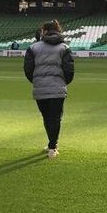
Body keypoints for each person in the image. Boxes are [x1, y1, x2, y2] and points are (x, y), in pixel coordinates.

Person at [24, 20, 74, 159]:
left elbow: (28, 69)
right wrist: (63, 82)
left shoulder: (33, 48)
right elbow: (69, 70)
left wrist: (37, 81)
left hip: (40, 87)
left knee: (46, 117)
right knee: (56, 117)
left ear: (44, 31)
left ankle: (51, 143)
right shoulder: (64, 48)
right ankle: (53, 146)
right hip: (58, 87)